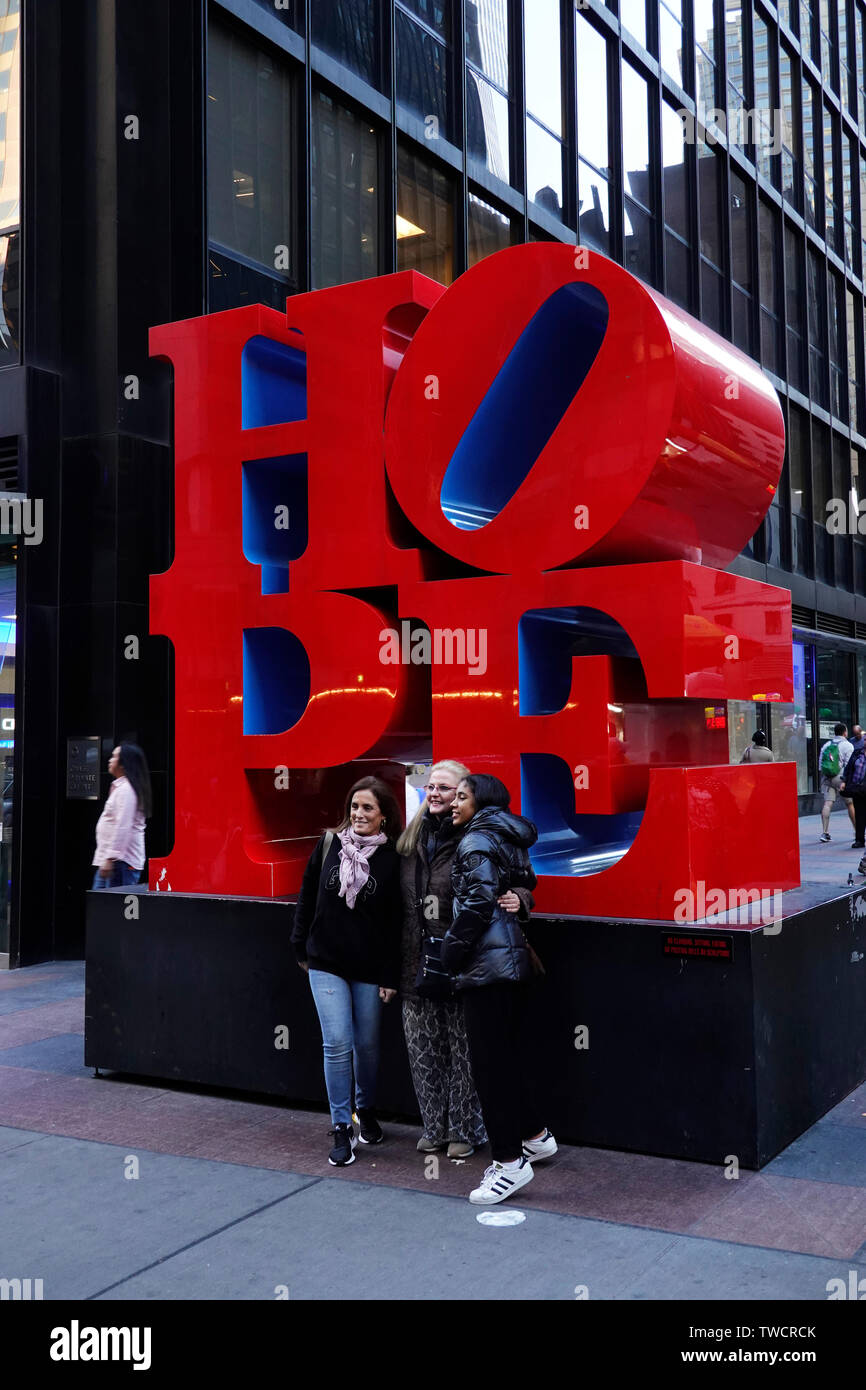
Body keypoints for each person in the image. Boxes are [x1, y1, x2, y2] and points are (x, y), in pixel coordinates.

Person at [397, 760, 532, 1161]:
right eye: (432, 787)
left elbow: (518, 880)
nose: (437, 794)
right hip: (416, 960)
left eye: (449, 789)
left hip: (463, 960)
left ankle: (465, 1131)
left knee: (465, 1051)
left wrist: (521, 899)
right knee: (424, 1052)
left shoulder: (475, 836)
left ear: (466, 795)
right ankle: (433, 1128)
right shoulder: (409, 840)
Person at [441, 773, 556, 1206]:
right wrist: (521, 898)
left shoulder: (474, 842)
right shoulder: (507, 834)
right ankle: (536, 1137)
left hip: (486, 966)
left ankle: (509, 1164)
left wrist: (447, 955)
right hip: (511, 963)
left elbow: (476, 902)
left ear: (481, 801)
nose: (454, 802)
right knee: (505, 1059)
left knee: (490, 1069)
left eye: (462, 796)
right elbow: (527, 881)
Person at [291, 776, 403, 1168]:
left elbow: (397, 923)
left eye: (367, 808)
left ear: (384, 816)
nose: (358, 814)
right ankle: (342, 1127)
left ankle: (365, 1109)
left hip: (370, 967)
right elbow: (306, 894)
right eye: (354, 806)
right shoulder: (328, 845)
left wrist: (391, 975)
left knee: (368, 1047)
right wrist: (299, 944)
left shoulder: (393, 859)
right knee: (336, 1043)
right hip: (325, 962)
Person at [91, 743, 151, 888]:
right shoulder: (121, 788)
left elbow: (123, 826)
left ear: (124, 764)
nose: (110, 760)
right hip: (112, 861)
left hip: (120, 862)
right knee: (102, 906)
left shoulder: (127, 790)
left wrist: (110, 858)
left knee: (111, 908)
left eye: (114, 757)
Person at [818, 722, 854, 842]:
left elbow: (820, 765)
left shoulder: (826, 745)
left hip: (827, 777)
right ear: (845, 732)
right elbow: (850, 765)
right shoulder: (847, 745)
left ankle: (824, 833)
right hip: (841, 778)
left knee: (827, 803)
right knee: (850, 803)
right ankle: (857, 831)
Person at [840, 739, 866, 851]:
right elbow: (849, 768)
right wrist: (844, 781)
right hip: (856, 789)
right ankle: (859, 840)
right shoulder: (857, 753)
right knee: (859, 814)